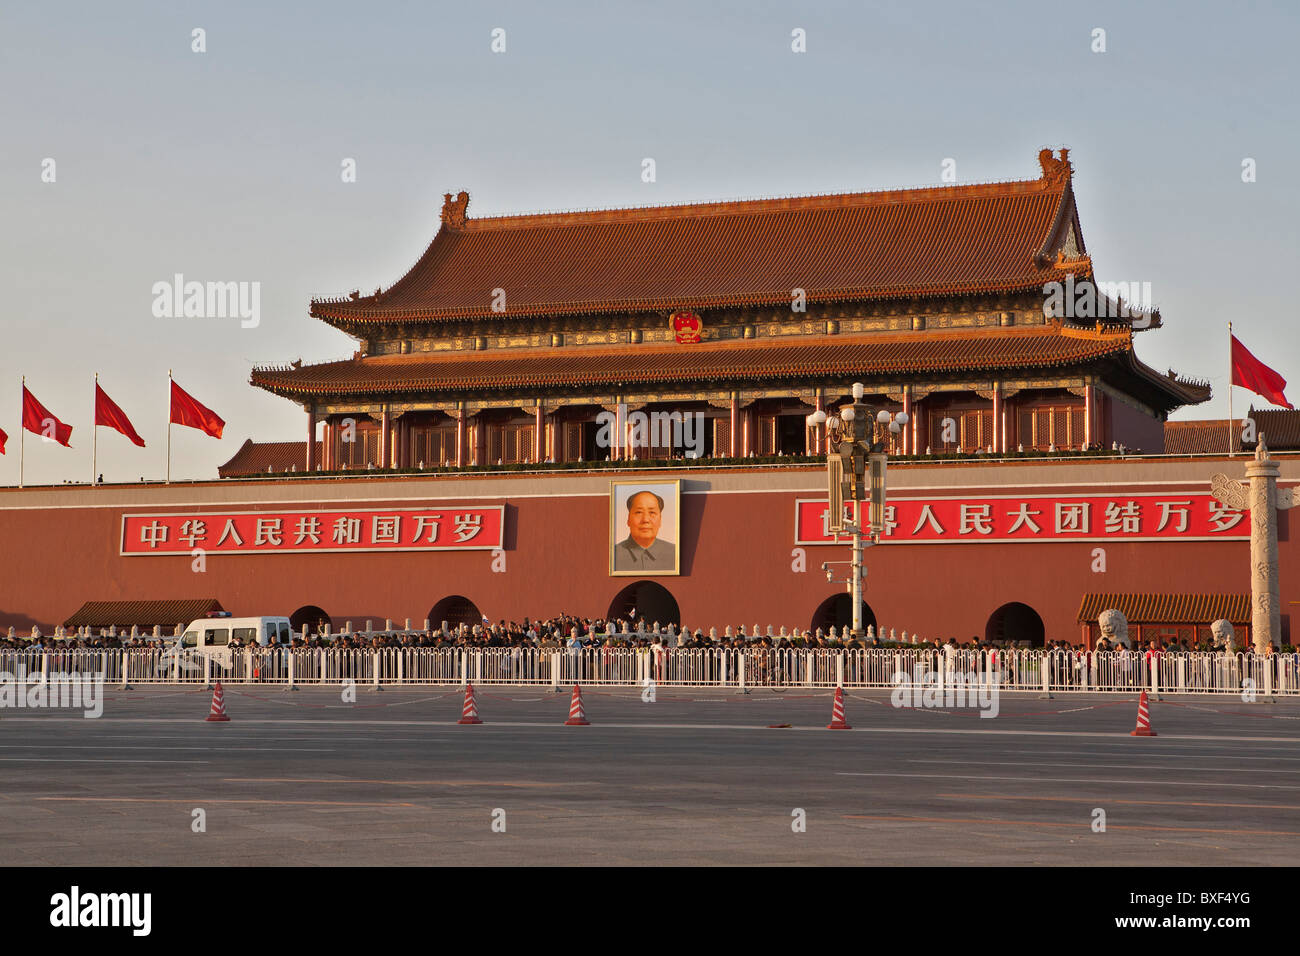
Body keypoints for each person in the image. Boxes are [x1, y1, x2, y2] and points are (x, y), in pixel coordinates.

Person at [613, 490, 676, 571]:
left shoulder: (675, 553)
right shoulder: (613, 554)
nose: (645, 520)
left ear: (660, 520)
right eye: (639, 512)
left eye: (652, 512)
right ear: (628, 519)